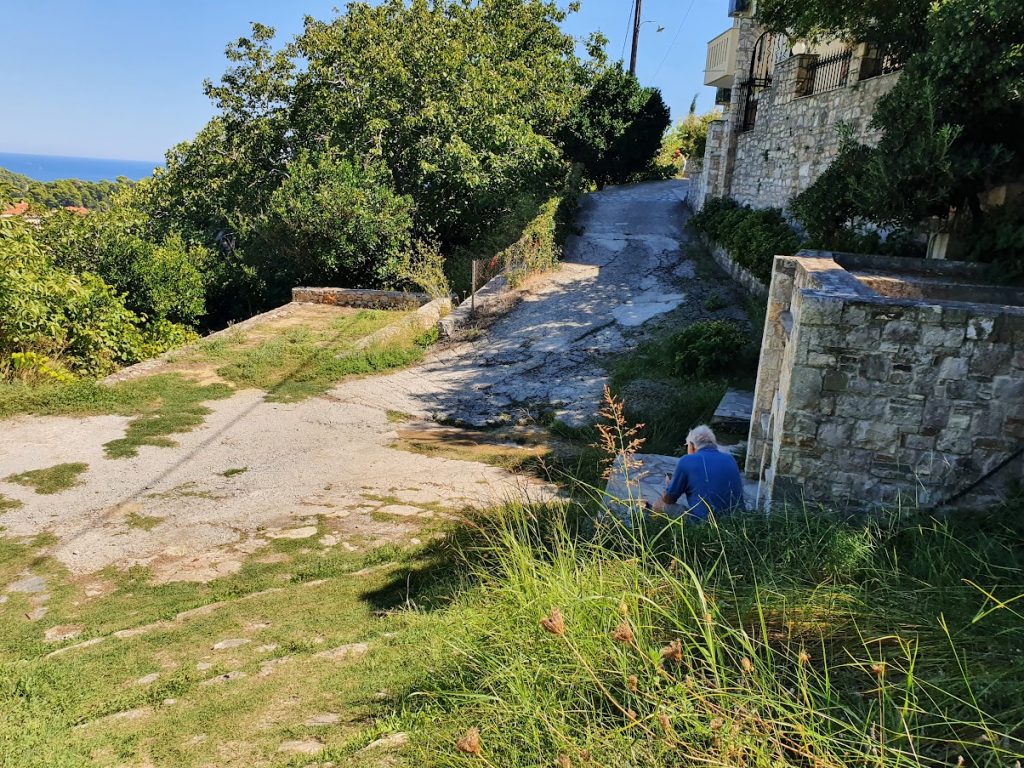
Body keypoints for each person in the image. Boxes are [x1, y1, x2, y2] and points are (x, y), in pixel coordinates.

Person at [657, 425, 744, 520]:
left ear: (692, 445)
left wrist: (670, 486)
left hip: (705, 523)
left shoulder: (686, 460)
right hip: (736, 519)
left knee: (660, 505)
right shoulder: (730, 459)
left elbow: (669, 499)